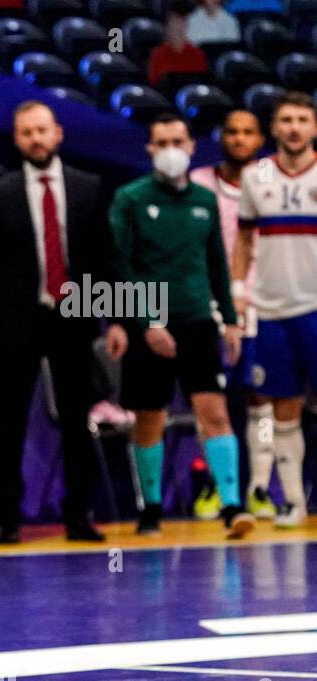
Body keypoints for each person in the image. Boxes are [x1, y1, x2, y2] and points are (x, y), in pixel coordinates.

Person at [0, 100, 117, 544]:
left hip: (74, 318)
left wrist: (121, 320)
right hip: (17, 320)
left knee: (76, 421)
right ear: (17, 139)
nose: (36, 139)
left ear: (58, 134)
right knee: (9, 422)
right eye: (27, 132)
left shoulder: (89, 186)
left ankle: (78, 515)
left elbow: (107, 259)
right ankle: (8, 518)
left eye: (42, 130)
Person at [110, 113, 252, 538]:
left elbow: (217, 265)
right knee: (149, 416)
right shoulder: (130, 198)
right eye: (161, 142)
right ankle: (150, 508)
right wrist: (145, 321)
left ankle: (231, 505)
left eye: (178, 140)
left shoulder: (205, 201)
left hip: (196, 322)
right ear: (149, 149)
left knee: (215, 412)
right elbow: (120, 266)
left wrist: (228, 319)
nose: (170, 148)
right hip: (145, 324)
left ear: (192, 146)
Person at [233, 92, 317, 529]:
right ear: (275, 129)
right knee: (279, 406)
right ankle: (291, 500)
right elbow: (244, 241)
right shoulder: (255, 176)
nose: (295, 127)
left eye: (303, 119)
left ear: (314, 128)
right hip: (269, 310)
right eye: (286, 120)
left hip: (316, 307)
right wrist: (235, 290)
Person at [189, 109, 273, 520]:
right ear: (220, 137)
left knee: (263, 400)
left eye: (248, 132)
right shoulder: (198, 184)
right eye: (232, 132)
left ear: (260, 139)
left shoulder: (276, 185)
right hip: (210, 308)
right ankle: (218, 487)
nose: (239, 139)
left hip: (268, 306)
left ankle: (259, 486)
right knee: (212, 401)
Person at [148, 1, 208, 92]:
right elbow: (154, 88)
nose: (180, 26)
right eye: (175, 21)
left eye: (183, 21)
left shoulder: (197, 54)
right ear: (167, 26)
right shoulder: (158, 55)